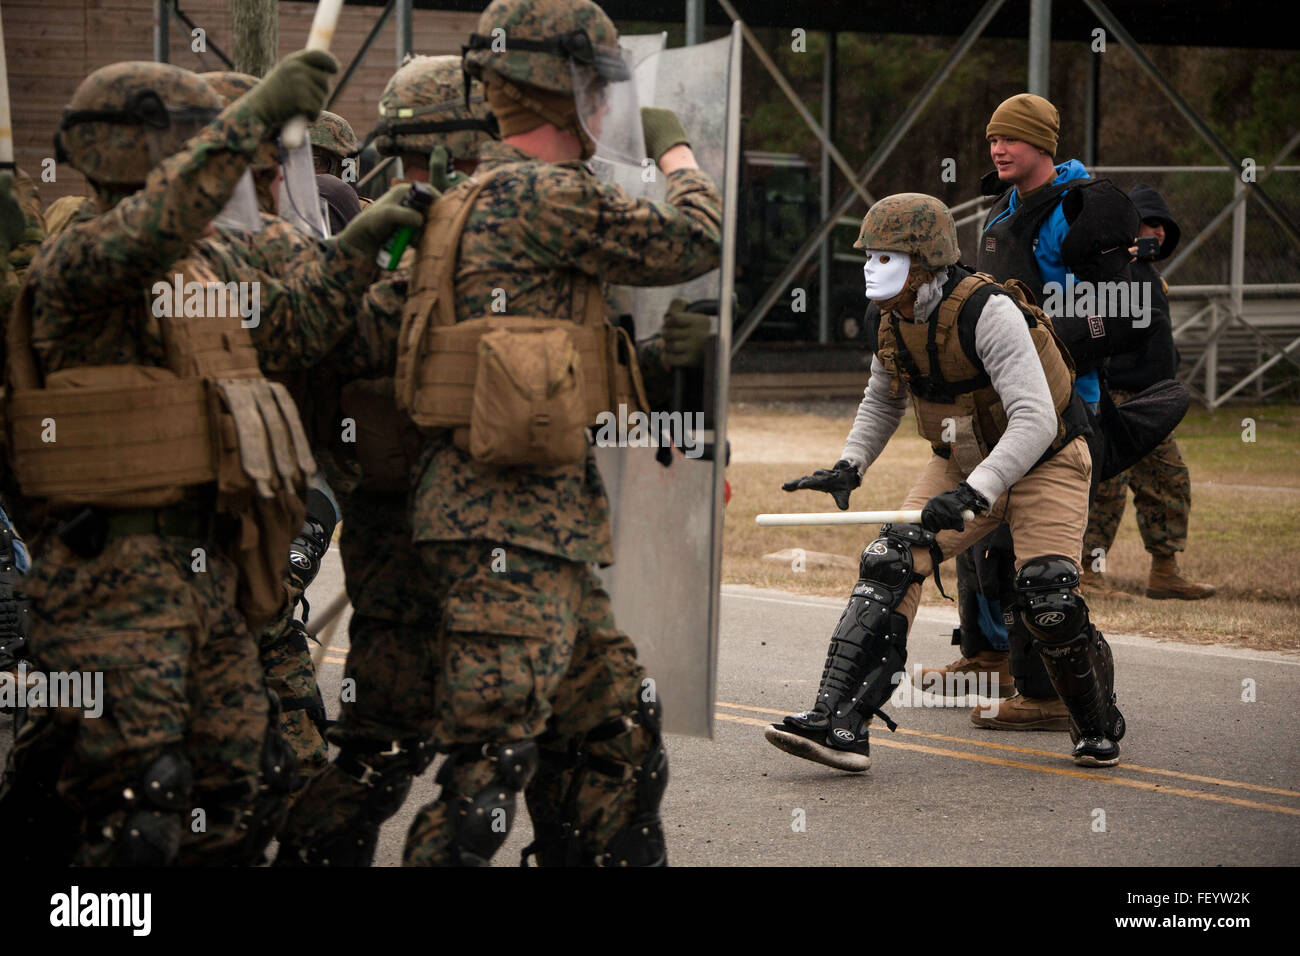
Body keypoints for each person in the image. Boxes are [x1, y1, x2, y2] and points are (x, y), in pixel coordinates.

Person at [0, 54, 423, 865]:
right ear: (130, 152)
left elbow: (297, 326)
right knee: (140, 802)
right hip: (111, 579)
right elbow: (151, 227)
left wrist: (369, 241)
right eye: (194, 142)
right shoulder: (90, 259)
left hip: (208, 577)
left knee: (241, 783)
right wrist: (250, 117)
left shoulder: (201, 266)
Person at [392, 0, 721, 867]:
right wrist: (678, 150)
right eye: (597, 88)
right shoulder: (543, 195)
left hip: (537, 531)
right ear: (555, 89)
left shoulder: (475, 197)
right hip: (506, 532)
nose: (606, 108)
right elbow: (694, 239)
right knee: (488, 770)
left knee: (616, 730)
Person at [769, 193, 1125, 771]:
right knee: (889, 559)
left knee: (1049, 596)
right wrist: (850, 465)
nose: (869, 267)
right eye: (868, 255)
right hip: (962, 461)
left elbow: (1034, 419)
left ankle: (1096, 723)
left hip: (1047, 459)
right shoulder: (892, 318)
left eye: (885, 257)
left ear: (927, 260)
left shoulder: (989, 311)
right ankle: (839, 722)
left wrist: (976, 491)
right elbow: (881, 399)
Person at [919, 92, 1144, 732]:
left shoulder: (1081, 209)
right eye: (993, 139)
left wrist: (1037, 348)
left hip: (1064, 404)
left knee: (1026, 547)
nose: (998, 148)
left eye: (1011, 139)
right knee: (974, 529)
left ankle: (1045, 689)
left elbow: (1121, 312)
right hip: (995, 406)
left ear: (1043, 144)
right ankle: (987, 654)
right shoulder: (1002, 210)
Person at [1084, 183, 1214, 600]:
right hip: (1113, 397)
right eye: (1147, 223)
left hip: (1153, 398)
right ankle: (1088, 572)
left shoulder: (1155, 276)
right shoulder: (1106, 267)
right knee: (1107, 488)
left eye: (1162, 226)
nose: (1156, 232)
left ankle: (1165, 570)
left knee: (1169, 481)